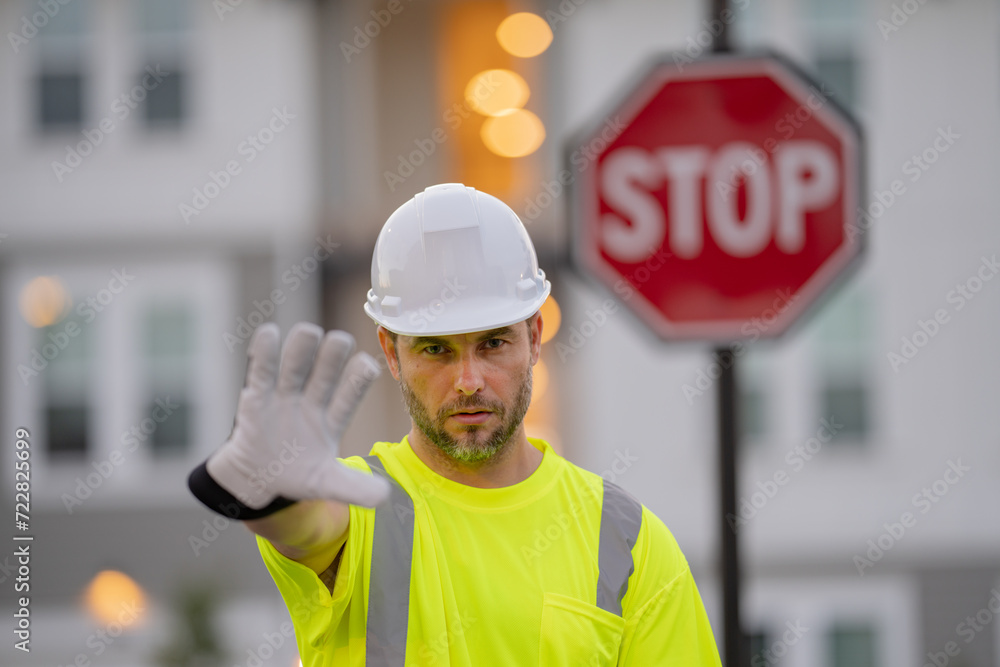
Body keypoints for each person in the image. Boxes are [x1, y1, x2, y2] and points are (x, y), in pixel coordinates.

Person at [188, 183, 722, 666]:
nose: (468, 381)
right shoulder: (359, 505)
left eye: (493, 343)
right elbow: (304, 529)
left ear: (535, 337)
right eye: (436, 349)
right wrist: (267, 487)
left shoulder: (628, 541)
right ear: (391, 353)